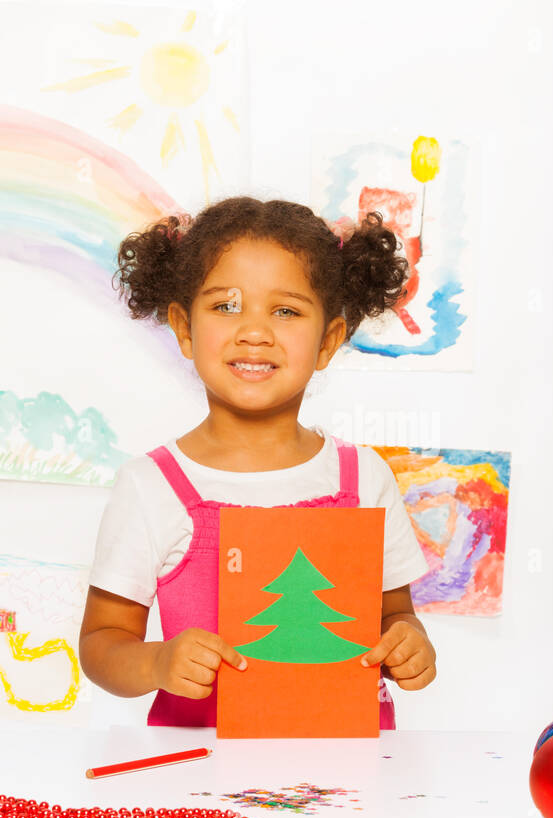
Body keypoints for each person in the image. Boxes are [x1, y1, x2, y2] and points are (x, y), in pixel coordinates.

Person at [79, 196, 437, 728]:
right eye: (226, 306)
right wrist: (157, 662)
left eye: (286, 311)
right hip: (198, 764)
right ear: (184, 329)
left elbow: (395, 614)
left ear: (328, 342)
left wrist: (409, 643)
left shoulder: (364, 478)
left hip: (348, 766)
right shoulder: (151, 486)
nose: (254, 331)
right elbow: (101, 642)